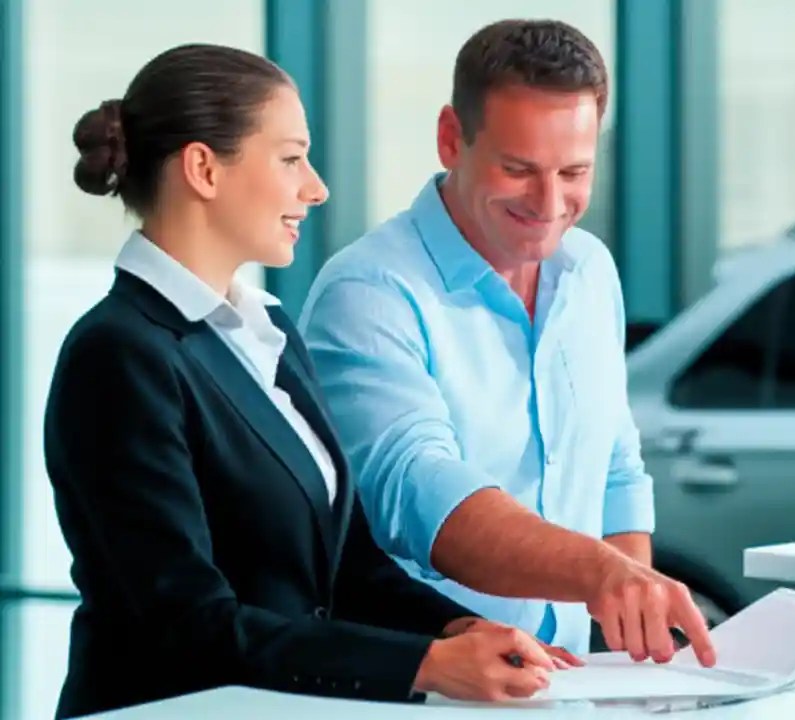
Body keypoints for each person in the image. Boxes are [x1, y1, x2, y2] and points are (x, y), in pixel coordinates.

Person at [43, 43, 577, 720]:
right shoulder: (119, 354)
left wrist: (458, 629)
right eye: (291, 157)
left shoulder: (265, 331)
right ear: (204, 168)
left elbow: (348, 569)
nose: (315, 187)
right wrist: (423, 667)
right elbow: (187, 621)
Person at [299, 18, 717, 666]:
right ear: (450, 139)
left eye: (574, 171)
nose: (550, 203)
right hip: (426, 691)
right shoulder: (369, 291)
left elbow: (616, 471)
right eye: (519, 169)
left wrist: (633, 633)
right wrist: (601, 574)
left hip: (576, 688)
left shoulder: (591, 270)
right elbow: (425, 498)